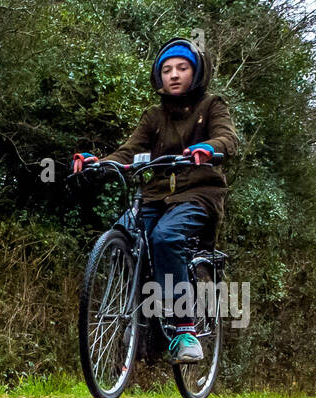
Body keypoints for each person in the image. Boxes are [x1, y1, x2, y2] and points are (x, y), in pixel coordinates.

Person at [72, 37, 238, 364]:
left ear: (196, 72)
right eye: (166, 69)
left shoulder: (212, 106)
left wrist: (210, 148)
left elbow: (228, 138)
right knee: (123, 232)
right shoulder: (153, 116)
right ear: (158, 76)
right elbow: (129, 151)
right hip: (157, 194)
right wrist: (99, 161)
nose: (174, 75)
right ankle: (135, 318)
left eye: (182, 68)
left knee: (165, 237)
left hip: (198, 193)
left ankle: (185, 329)